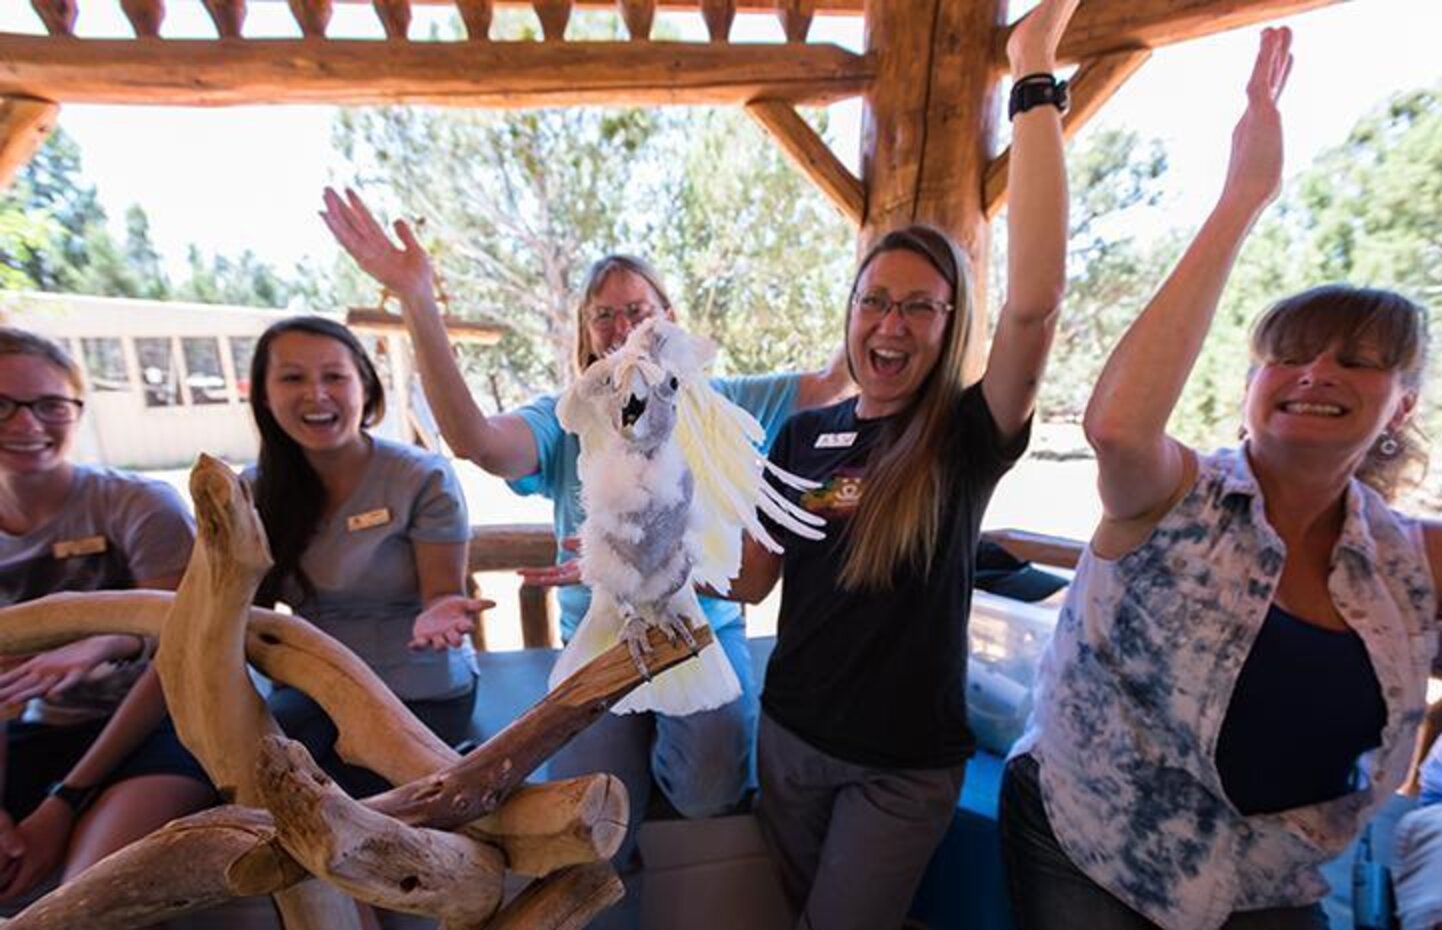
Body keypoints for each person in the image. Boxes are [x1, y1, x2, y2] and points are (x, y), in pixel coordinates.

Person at [1002, 29, 1442, 930]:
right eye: (1288, 355)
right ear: (1249, 388)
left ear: (1401, 407)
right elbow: (1118, 425)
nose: (1318, 372)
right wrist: (1242, 199)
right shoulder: (1180, 500)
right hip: (1093, 844)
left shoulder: (1417, 562)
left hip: (1268, 882)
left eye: (1357, 361)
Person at [319, 194, 852, 928]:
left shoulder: (721, 399)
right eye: (602, 315)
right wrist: (418, 300)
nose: (622, 326)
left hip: (703, 633)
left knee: (704, 793)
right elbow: (478, 439)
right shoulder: (567, 413)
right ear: (585, 337)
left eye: (636, 308)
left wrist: (879, 289)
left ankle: (674, 747)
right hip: (597, 641)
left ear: (668, 315)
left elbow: (830, 384)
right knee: (585, 830)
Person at [722, 1, 1076, 925]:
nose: (892, 325)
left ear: (952, 324)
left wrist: (1034, 79)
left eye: (922, 308)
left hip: (902, 766)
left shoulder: (965, 434)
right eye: (876, 301)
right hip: (788, 737)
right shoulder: (801, 435)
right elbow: (748, 580)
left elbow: (1034, 307)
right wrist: (637, 552)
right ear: (850, 309)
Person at [0, 327, 213, 903]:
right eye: (3, 406)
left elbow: (182, 651)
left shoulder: (139, 506)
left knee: (90, 899)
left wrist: (64, 802)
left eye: (49, 406)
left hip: (162, 723)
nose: (27, 426)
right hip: (39, 727)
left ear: (76, 409)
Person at [245, 316, 489, 798]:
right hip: (312, 686)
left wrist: (440, 611)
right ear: (265, 395)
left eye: (334, 376)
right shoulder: (250, 492)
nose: (316, 393)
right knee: (262, 781)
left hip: (420, 684)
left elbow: (441, 592)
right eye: (293, 377)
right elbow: (230, 609)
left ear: (365, 387)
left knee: (374, 802)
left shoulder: (422, 477)